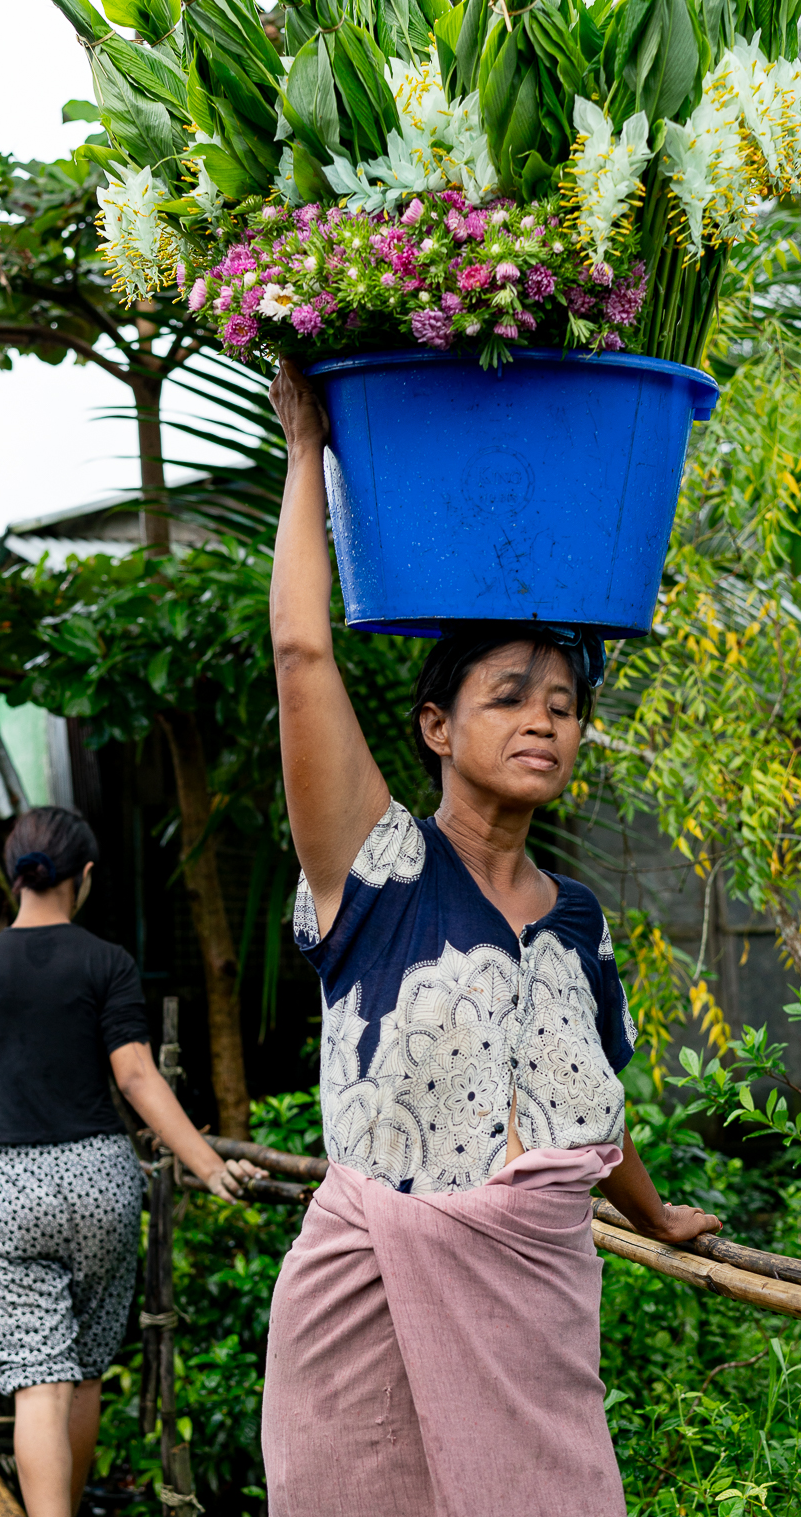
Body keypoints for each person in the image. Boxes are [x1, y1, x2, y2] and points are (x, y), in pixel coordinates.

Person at [259, 360, 723, 1517]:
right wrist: (306, 449)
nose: (544, 720)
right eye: (510, 694)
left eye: (564, 704)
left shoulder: (579, 921)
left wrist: (655, 1214)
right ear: (436, 723)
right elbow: (303, 658)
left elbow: (588, 1110)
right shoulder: (378, 870)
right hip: (372, 1306)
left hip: (538, 1322)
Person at [0, 805, 264, 1517]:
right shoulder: (107, 962)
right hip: (101, 1178)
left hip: (12, 1186)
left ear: (16, 876)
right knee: (85, 1371)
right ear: (85, 876)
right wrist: (209, 1166)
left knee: (40, 1377)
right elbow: (136, 1076)